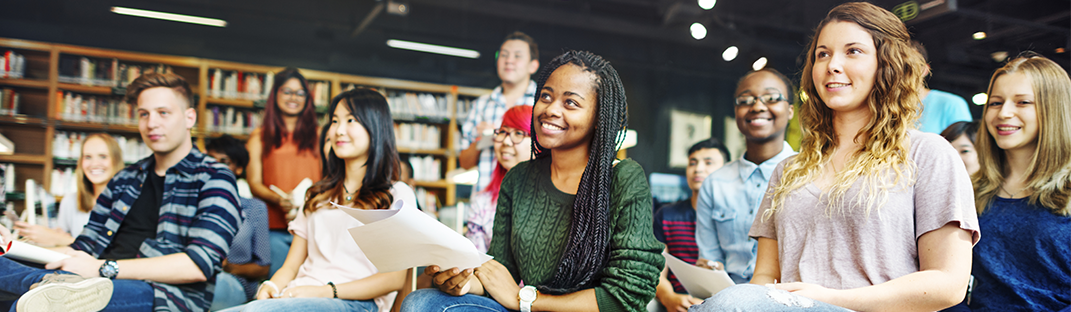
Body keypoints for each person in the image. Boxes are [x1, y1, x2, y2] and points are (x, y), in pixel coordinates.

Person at [691, 3, 979, 311]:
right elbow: (765, 276)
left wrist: (828, 299)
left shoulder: (928, 154)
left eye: (853, 51)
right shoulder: (789, 170)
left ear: (886, 64)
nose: (832, 65)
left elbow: (948, 284)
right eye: (822, 54)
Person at [402, 50, 664, 312]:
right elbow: (502, 275)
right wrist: (463, 283)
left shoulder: (624, 178)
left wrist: (528, 301)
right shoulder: (519, 178)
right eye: (545, 97)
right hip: (525, 306)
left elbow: (628, 294)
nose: (550, 109)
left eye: (570, 103)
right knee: (421, 302)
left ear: (599, 118)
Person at [0, 72, 241, 312]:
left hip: (159, 291)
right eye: (144, 114)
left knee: (41, 305)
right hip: (89, 277)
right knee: (31, 285)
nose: (151, 123)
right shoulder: (125, 178)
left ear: (190, 118)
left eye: (163, 113)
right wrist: (14, 247)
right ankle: (50, 284)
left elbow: (198, 265)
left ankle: (54, 287)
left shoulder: (215, 177)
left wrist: (102, 268)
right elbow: (82, 248)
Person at [221, 88, 417, 312]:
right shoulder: (316, 195)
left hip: (356, 304)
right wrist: (272, 285)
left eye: (350, 120)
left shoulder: (397, 195)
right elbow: (291, 266)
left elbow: (393, 280)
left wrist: (325, 291)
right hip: (299, 295)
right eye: (334, 121)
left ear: (375, 127)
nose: (338, 130)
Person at [968, 53, 1070, 311]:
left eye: (1023, 102)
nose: (1004, 113)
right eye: (995, 103)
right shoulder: (973, 189)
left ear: (1053, 109)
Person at [694, 68, 798, 286]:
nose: (758, 106)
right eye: (746, 100)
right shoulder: (714, 184)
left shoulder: (809, 175)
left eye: (771, 98)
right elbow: (709, 259)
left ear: (790, 110)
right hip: (728, 300)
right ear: (736, 111)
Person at [246, 67, 323, 276]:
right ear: (275, 94)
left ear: (307, 98)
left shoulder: (321, 136)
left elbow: (329, 178)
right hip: (274, 229)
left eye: (300, 93)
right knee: (279, 287)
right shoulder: (259, 136)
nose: (293, 98)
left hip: (314, 227)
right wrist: (279, 199)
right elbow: (254, 182)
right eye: (287, 91)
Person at [652, 138, 729, 312]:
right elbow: (656, 269)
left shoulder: (734, 217)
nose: (698, 169)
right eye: (692, 163)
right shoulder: (666, 215)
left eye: (708, 163)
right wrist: (668, 297)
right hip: (680, 303)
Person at [459, 31, 539, 195]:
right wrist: (482, 141)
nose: (509, 60)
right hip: (486, 202)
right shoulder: (481, 105)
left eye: (517, 56)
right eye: (504, 55)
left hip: (530, 200)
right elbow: (464, 163)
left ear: (533, 65)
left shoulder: (543, 104)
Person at [14, 133, 123, 247]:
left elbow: (114, 251)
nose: (94, 164)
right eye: (88, 157)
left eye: (103, 156)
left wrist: (59, 239)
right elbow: (63, 244)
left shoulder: (128, 204)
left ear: (116, 160)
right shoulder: (70, 201)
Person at [205, 135, 272, 310]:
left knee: (210, 289)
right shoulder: (195, 204)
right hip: (196, 277)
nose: (215, 166)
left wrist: (228, 267)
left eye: (224, 161)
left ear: (239, 168)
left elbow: (263, 268)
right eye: (210, 160)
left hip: (234, 281)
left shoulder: (254, 209)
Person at [464, 105, 534, 253]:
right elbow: (473, 262)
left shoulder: (554, 201)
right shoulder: (482, 203)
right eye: (503, 132)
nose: (506, 142)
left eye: (519, 133)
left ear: (539, 142)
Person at [912, 40, 973, 134]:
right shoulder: (887, 108)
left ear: (925, 70)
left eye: (910, 65)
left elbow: (963, 145)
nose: (902, 71)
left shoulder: (952, 104)